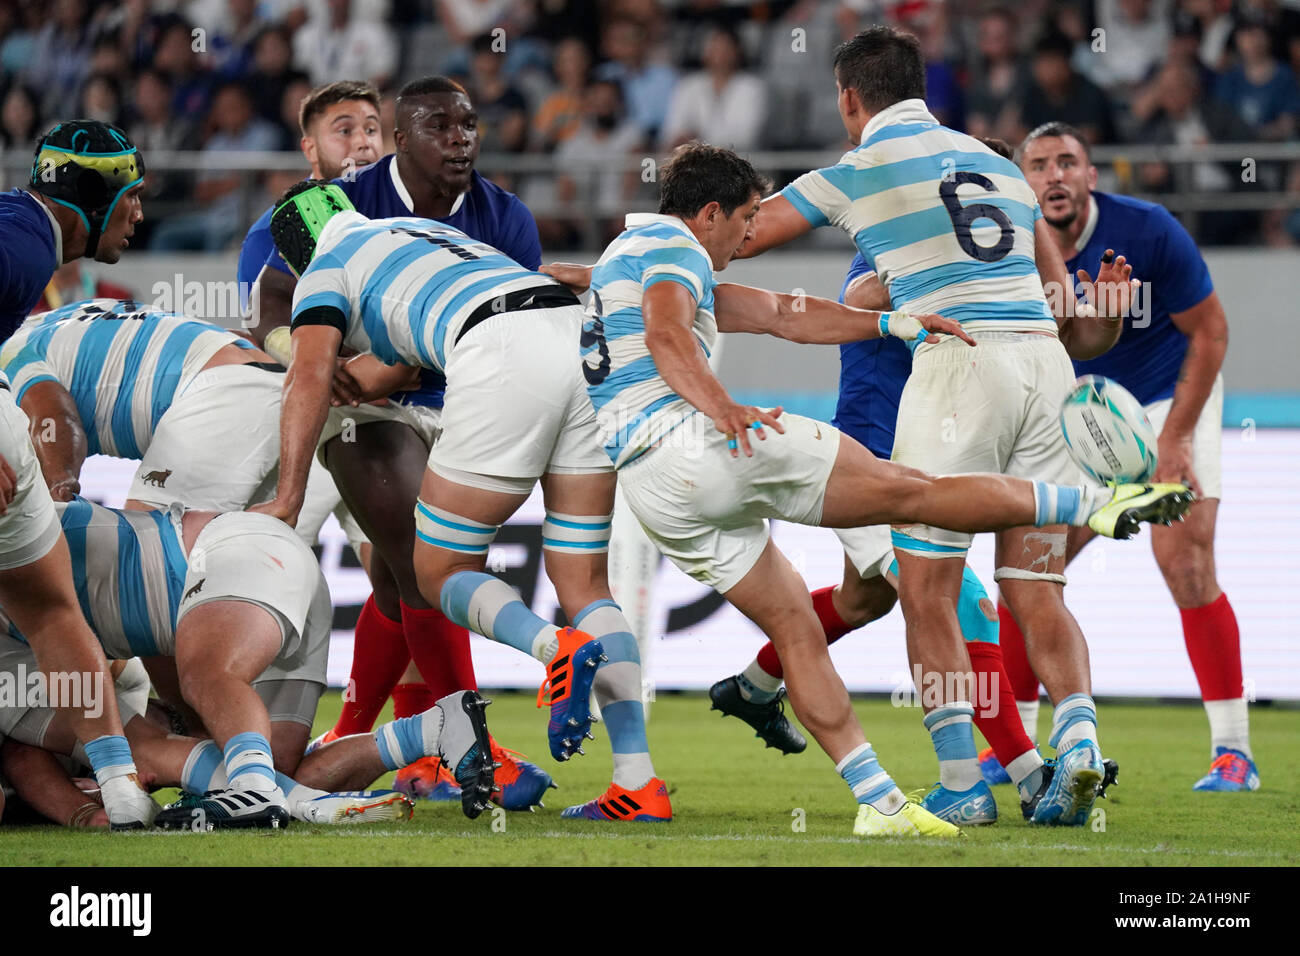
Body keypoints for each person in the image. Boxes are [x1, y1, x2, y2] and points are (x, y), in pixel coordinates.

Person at [547, 142, 1188, 836]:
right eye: (745, 220)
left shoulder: (633, 251)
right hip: (720, 442)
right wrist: (722, 405)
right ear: (710, 214)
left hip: (653, 487)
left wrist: (895, 323)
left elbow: (777, 312)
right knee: (936, 538)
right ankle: (1094, 524)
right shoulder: (695, 250)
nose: (749, 235)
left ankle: (873, 793)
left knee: (821, 613)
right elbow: (670, 333)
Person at [725, 26, 1190, 828]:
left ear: (848, 98)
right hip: (1047, 373)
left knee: (930, 593)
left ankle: (963, 784)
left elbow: (736, 236)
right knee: (1038, 587)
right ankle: (1075, 743)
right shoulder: (1004, 169)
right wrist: (1110, 322)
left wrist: (643, 252)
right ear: (923, 86)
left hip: (959, 367)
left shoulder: (858, 169)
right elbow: (1074, 326)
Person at [256, 182, 667, 822]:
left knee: (437, 570)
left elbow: (308, 373)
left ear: (297, 254)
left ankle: (550, 650)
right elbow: (395, 371)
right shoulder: (424, 237)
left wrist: (287, 496)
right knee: (586, 583)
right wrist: (348, 377)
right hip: (580, 339)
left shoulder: (324, 271)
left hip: (502, 349)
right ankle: (637, 783)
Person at [245, 76, 549, 808]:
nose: (461, 138)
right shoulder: (308, 219)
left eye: (365, 127)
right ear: (312, 146)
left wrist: (366, 366)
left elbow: (493, 324)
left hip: (454, 403)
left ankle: (351, 733)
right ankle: (470, 741)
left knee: (395, 577)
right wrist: (304, 357)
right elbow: (269, 310)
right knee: (421, 558)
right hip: (343, 415)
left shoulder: (504, 216)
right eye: (341, 129)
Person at [0, 496, 495, 827]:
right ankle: (433, 730)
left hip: (230, 553)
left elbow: (74, 743)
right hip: (266, 566)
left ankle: (260, 793)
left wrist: (95, 810)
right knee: (280, 768)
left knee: (204, 682)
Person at [1013, 121, 1255, 792]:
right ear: (1022, 182)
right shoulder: (1009, 250)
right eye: (1039, 165)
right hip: (1077, 413)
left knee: (1184, 558)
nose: (1054, 175)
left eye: (1068, 162)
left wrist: (1174, 439)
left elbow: (1210, 331)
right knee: (1030, 566)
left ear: (1092, 177)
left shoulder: (1149, 230)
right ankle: (1019, 749)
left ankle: (1233, 752)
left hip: (1163, 397)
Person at [0, 120, 155, 829]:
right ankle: (120, 788)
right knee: (53, 610)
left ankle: (117, 793)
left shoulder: (22, 237)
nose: (139, 215)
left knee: (50, 608)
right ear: (93, 196)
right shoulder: (25, 245)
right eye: (131, 196)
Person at [1, 299, 282, 510]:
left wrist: (57, 494)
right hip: (269, 381)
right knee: (240, 565)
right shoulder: (41, 324)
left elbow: (54, 419)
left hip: (222, 394)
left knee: (147, 559)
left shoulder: (6, 355)